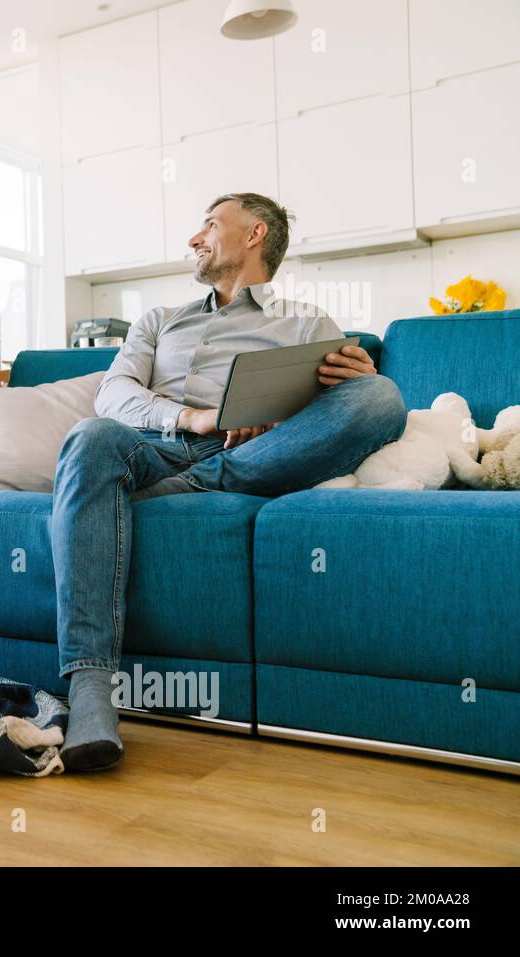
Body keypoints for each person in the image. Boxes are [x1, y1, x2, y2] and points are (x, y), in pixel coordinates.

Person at [53, 192, 408, 771]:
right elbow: (112, 395)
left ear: (254, 235)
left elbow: (333, 419)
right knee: (90, 436)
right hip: (155, 448)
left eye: (210, 224)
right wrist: (190, 417)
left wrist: (347, 384)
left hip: (253, 454)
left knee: (381, 396)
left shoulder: (307, 321)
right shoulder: (158, 320)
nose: (195, 237)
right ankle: (91, 687)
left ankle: (207, 480)